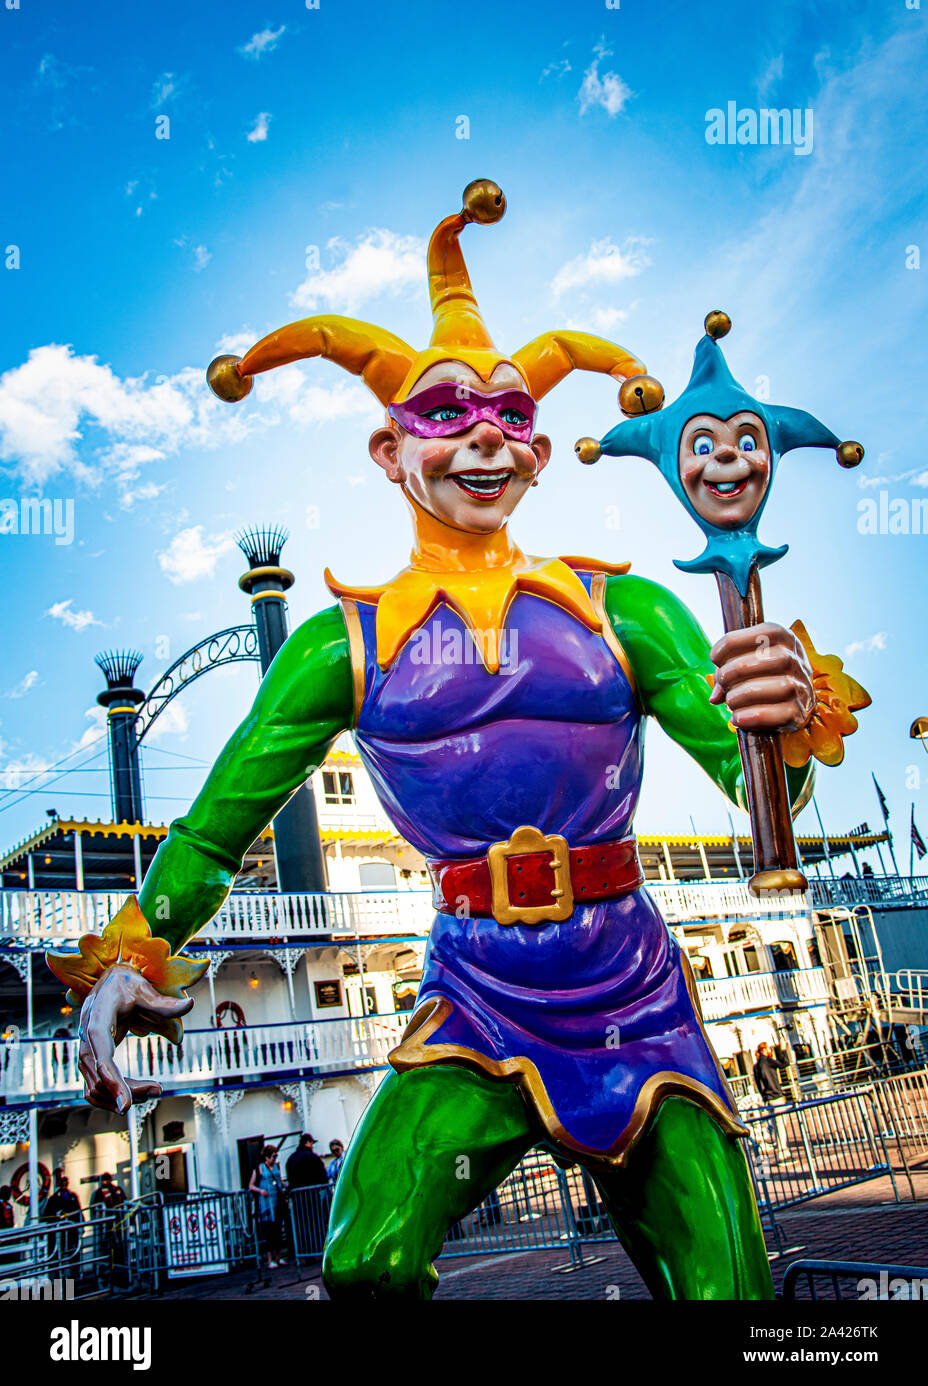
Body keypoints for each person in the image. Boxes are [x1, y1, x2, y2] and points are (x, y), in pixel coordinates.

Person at [51, 181, 855, 1302]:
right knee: (365, 1258)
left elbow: (755, 782)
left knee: (730, 1291)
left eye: (513, 415)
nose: (486, 433)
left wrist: (784, 725)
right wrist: (134, 950)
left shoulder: (631, 613)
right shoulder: (342, 646)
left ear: (534, 453)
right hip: (475, 998)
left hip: (632, 995)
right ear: (389, 451)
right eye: (445, 414)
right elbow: (217, 821)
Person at [249, 1145, 285, 1270]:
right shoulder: (259, 1168)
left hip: (276, 1202)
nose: (275, 1159)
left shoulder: (276, 1167)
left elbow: (279, 1180)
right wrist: (260, 1191)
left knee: (278, 1230)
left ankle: (279, 1257)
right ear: (267, 1157)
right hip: (266, 1204)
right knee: (269, 1232)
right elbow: (251, 1185)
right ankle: (270, 1259)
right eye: (273, 1156)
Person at [753, 1043, 789, 1157]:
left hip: (768, 1098)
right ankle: (783, 1151)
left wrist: (764, 1096)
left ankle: (780, 1148)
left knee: (775, 1124)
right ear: (764, 1050)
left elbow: (758, 1084)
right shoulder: (768, 1061)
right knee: (781, 1124)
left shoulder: (756, 1066)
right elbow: (785, 1063)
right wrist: (783, 1051)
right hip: (776, 1096)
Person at [41, 1172, 83, 1269]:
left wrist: (81, 1227)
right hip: (59, 1233)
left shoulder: (72, 1197)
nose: (64, 1186)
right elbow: (48, 1216)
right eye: (62, 1184)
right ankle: (58, 1280)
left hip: (71, 1231)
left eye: (65, 1184)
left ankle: (73, 1277)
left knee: (72, 1253)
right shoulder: (54, 1199)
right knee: (58, 1256)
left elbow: (78, 1212)